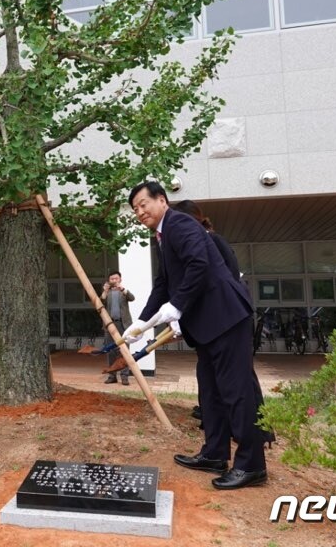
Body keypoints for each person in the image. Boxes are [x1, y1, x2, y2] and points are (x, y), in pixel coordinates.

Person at [123, 181, 266, 490]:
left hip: (226, 319)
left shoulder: (179, 223)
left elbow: (198, 264)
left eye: (143, 204)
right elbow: (163, 283)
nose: (140, 212)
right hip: (207, 326)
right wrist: (141, 323)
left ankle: (251, 465)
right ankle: (215, 453)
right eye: (135, 209)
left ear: (162, 200)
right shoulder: (162, 236)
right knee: (211, 393)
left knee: (236, 392)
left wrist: (177, 305)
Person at [172, 199, 273, 445]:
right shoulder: (197, 244)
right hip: (211, 323)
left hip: (229, 319)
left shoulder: (213, 241)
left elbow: (225, 280)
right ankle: (219, 429)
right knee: (213, 378)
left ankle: (259, 431)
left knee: (241, 379)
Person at [100, 271, 134, 385]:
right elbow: (100, 302)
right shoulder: (107, 293)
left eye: (116, 278)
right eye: (112, 279)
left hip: (123, 325)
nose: (114, 280)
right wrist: (105, 291)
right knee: (110, 351)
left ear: (120, 279)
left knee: (124, 350)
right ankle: (112, 376)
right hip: (110, 325)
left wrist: (123, 289)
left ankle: (124, 376)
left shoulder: (123, 292)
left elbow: (132, 298)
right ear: (109, 280)